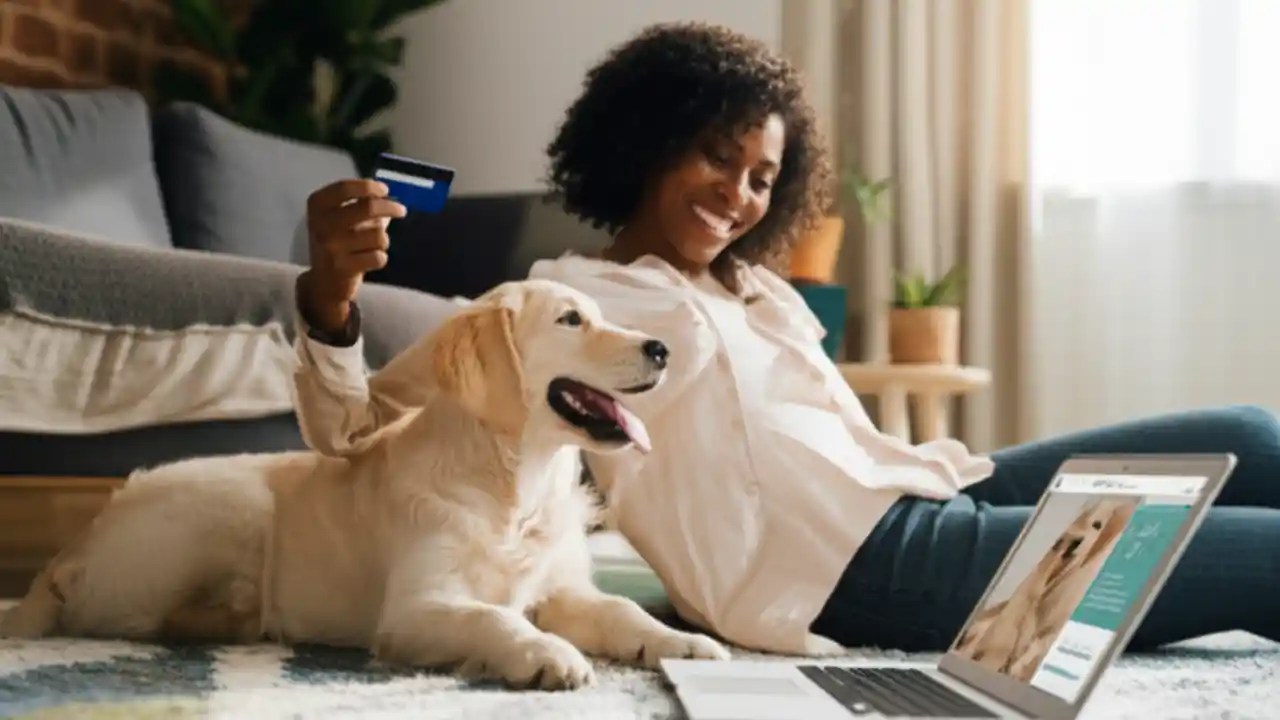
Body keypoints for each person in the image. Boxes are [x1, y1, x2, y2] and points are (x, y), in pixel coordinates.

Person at [292, 22, 1280, 655]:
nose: (738, 194)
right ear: (647, 143)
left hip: (930, 495)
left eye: (762, 178)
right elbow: (354, 427)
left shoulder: (756, 288)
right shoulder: (560, 302)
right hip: (860, 573)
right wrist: (332, 293)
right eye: (716, 158)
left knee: (1252, 433)